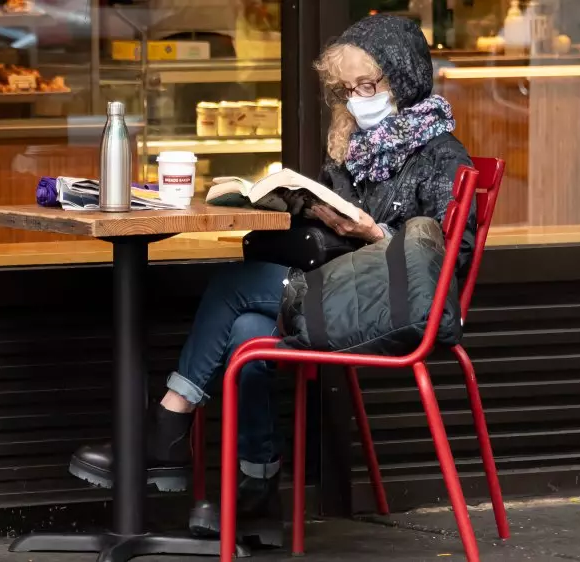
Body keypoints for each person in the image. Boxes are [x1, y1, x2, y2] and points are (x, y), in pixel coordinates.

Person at [69, 14, 475, 546]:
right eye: (348, 89)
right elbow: (337, 231)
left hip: (387, 309)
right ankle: (257, 494)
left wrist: (372, 230)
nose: (358, 99)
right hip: (338, 294)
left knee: (233, 286)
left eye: (369, 85)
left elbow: (447, 258)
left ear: (403, 77)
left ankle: (166, 429)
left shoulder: (441, 154)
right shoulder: (357, 150)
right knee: (247, 336)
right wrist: (306, 209)